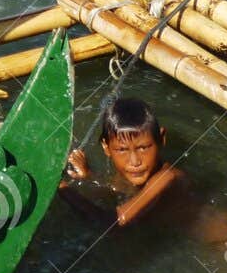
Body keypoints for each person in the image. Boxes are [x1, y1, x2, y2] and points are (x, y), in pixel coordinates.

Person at [63, 97, 186, 228]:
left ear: (161, 139)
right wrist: (89, 176)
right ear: (106, 148)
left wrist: (63, 189)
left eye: (143, 148)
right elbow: (122, 191)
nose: (135, 161)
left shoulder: (166, 177)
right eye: (122, 150)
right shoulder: (129, 174)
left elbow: (114, 222)